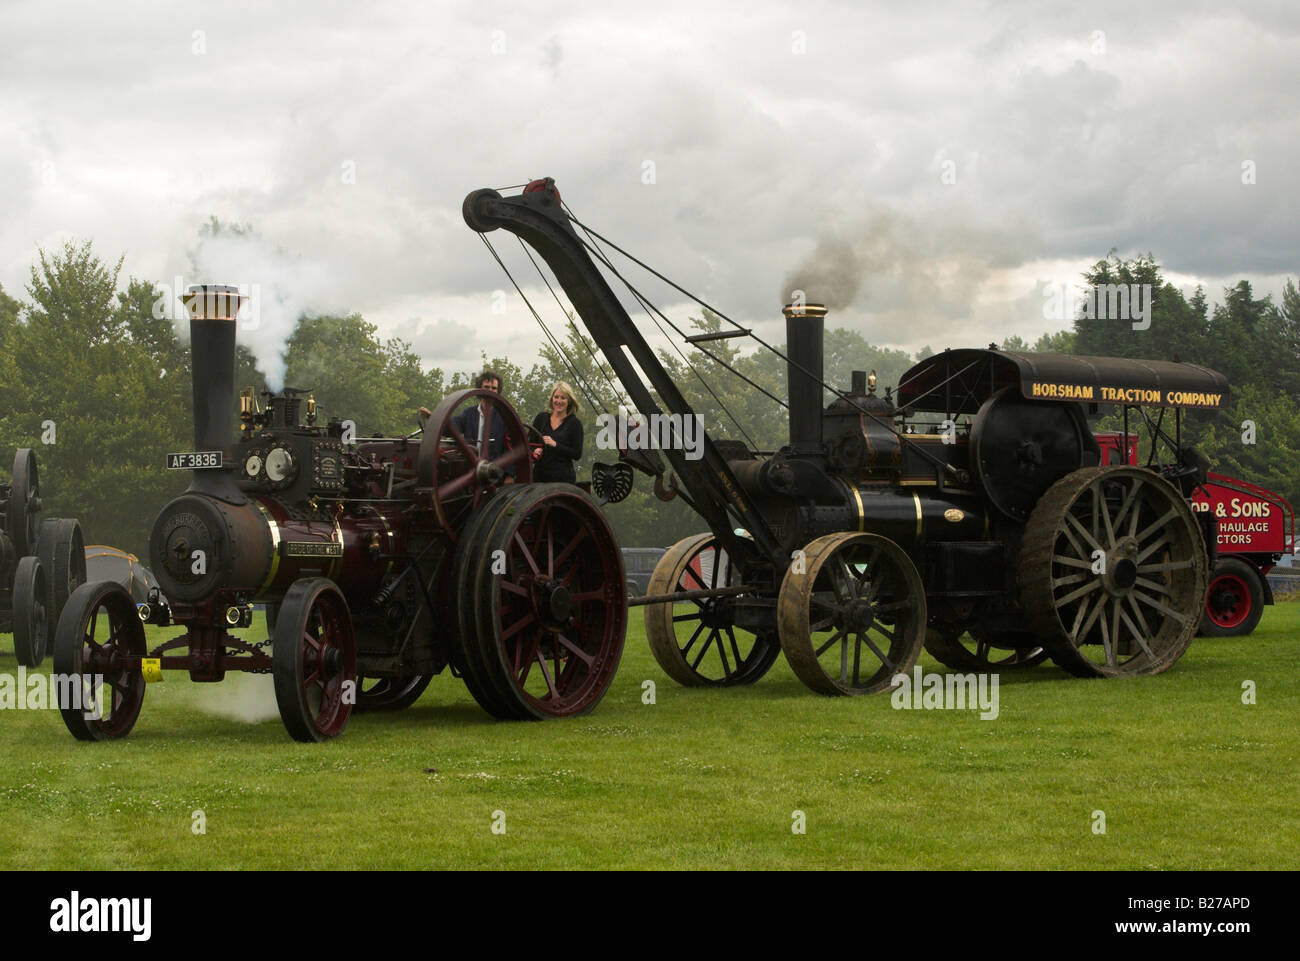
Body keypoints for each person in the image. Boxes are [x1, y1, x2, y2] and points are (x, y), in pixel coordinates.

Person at [420, 370, 516, 478]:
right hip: (471, 473)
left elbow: (512, 449)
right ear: (479, 389)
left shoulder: (504, 417)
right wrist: (434, 418)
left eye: (494, 388)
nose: (490, 391)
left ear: (498, 392)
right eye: (487, 387)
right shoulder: (469, 414)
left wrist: (509, 475)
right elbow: (451, 428)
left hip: (495, 476)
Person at [531, 381, 583, 483]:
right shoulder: (541, 418)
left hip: (562, 480)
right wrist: (535, 450)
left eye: (563, 398)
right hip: (539, 478)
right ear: (552, 399)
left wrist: (555, 445)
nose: (559, 401)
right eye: (556, 397)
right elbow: (530, 443)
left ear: (569, 401)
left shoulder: (574, 424)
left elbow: (577, 454)